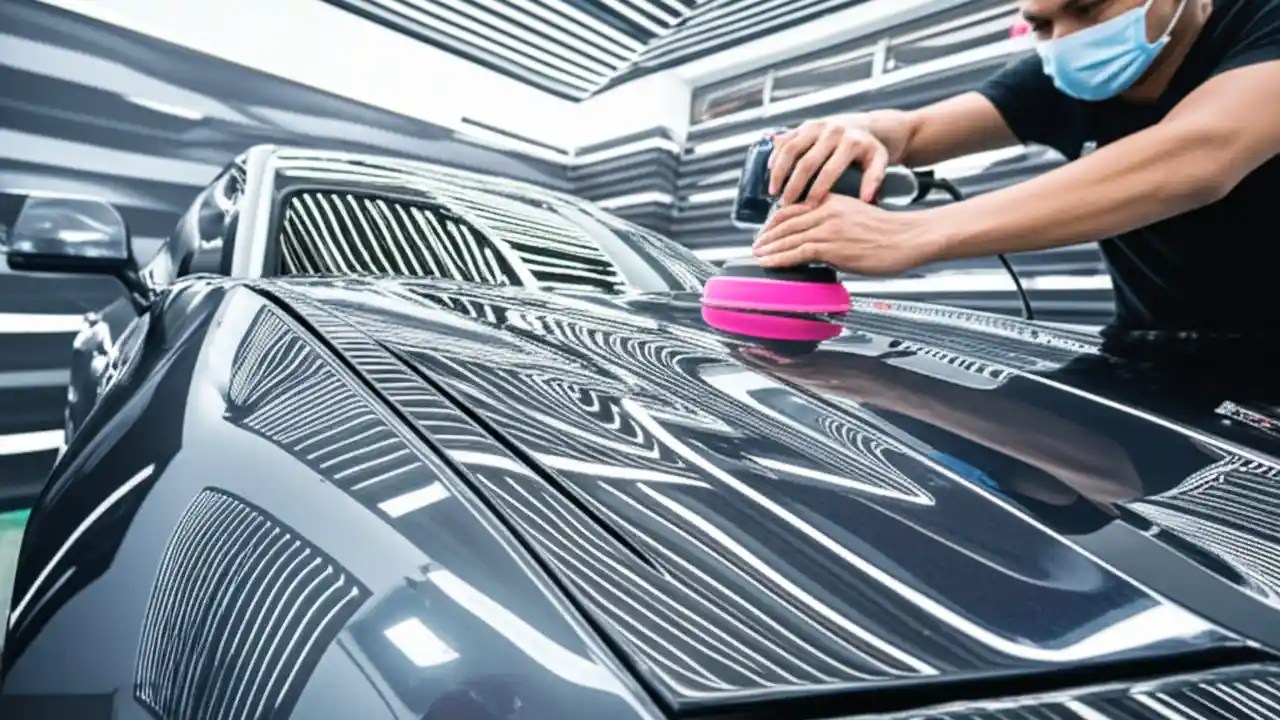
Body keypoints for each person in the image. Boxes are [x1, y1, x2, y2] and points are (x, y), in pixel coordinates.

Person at [755, 0, 1280, 338]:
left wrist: (913, 233)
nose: (1064, 41)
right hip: (1148, 348)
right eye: (1041, 25)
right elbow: (912, 133)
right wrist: (856, 127)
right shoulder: (1067, 78)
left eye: (1088, 9)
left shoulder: (1263, 23)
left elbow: (1202, 152)